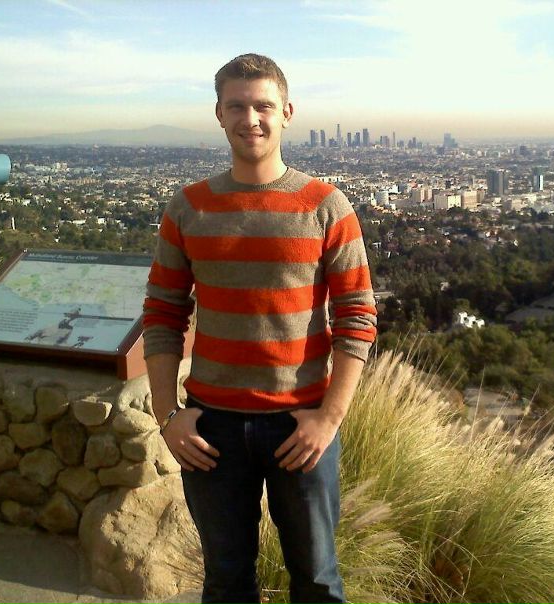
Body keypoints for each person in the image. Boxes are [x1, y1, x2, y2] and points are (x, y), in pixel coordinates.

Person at [142, 53, 377, 604]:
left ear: (287, 113)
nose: (251, 119)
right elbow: (162, 313)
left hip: (301, 423)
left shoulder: (326, 206)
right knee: (226, 582)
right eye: (237, 106)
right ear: (219, 115)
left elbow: (357, 316)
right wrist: (167, 416)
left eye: (264, 106)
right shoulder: (188, 207)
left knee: (317, 581)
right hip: (212, 428)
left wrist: (329, 419)